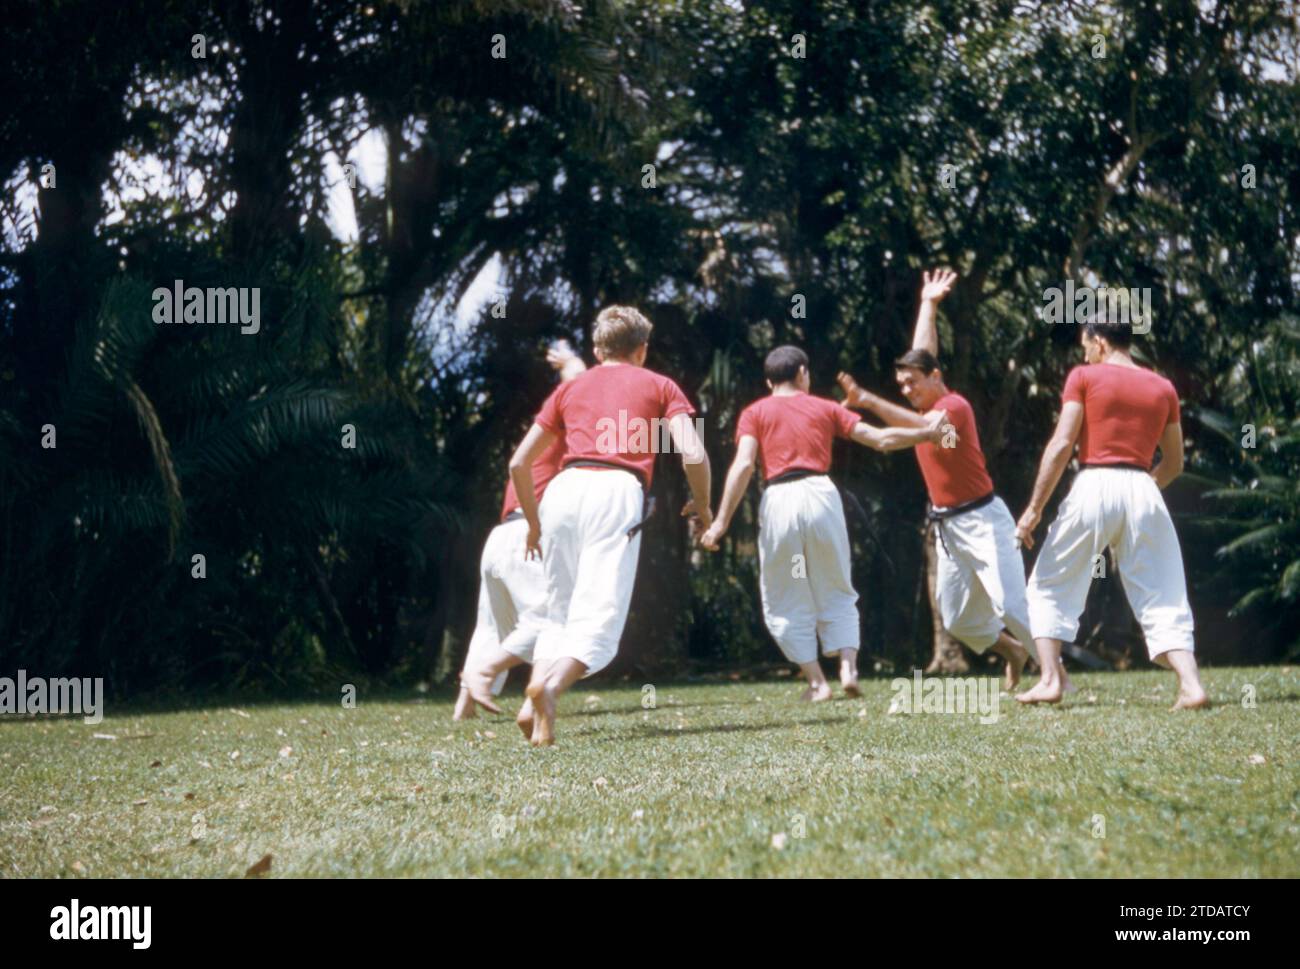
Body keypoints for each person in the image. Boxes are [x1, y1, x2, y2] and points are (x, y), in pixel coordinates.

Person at [502, 306, 713, 745]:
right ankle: (552, 688)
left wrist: (535, 523)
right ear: (642, 349)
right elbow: (692, 454)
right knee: (600, 611)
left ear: (598, 350)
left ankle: (531, 706)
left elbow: (519, 462)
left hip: (562, 489)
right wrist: (703, 507)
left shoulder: (573, 388)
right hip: (616, 490)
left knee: (558, 609)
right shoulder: (660, 385)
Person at [699, 346, 948, 700]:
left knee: (785, 594)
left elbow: (742, 466)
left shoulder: (755, 412)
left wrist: (720, 522)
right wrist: (925, 433)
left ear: (769, 382)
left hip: (780, 500)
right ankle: (848, 666)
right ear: (803, 373)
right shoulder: (825, 407)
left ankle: (817, 682)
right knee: (836, 585)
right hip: (821, 495)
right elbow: (879, 440)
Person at [837, 269, 1039, 689]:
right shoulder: (926, 385)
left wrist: (867, 401)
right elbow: (921, 355)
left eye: (911, 383)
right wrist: (928, 303)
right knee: (960, 618)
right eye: (900, 384)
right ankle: (1014, 652)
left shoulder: (954, 408)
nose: (906, 388)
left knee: (1013, 606)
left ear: (935, 377)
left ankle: (1057, 677)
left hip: (984, 520)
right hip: (947, 524)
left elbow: (924, 428)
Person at [1015, 314, 1208, 710]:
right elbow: (1174, 464)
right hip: (1143, 487)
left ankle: (1051, 680)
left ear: (1099, 341)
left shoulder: (1083, 377)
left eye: (1085, 344)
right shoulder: (1163, 387)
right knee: (1164, 589)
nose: (1084, 352)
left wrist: (1034, 508)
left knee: (1050, 582)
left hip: (1094, 485)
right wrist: (1139, 491)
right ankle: (1191, 685)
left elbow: (1061, 444)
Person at [453, 341, 586, 721]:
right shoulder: (565, 427)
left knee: (492, 627)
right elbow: (575, 386)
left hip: (499, 539)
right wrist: (571, 361)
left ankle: (465, 707)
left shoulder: (545, 437)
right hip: (528, 535)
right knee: (547, 620)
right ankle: (491, 676)